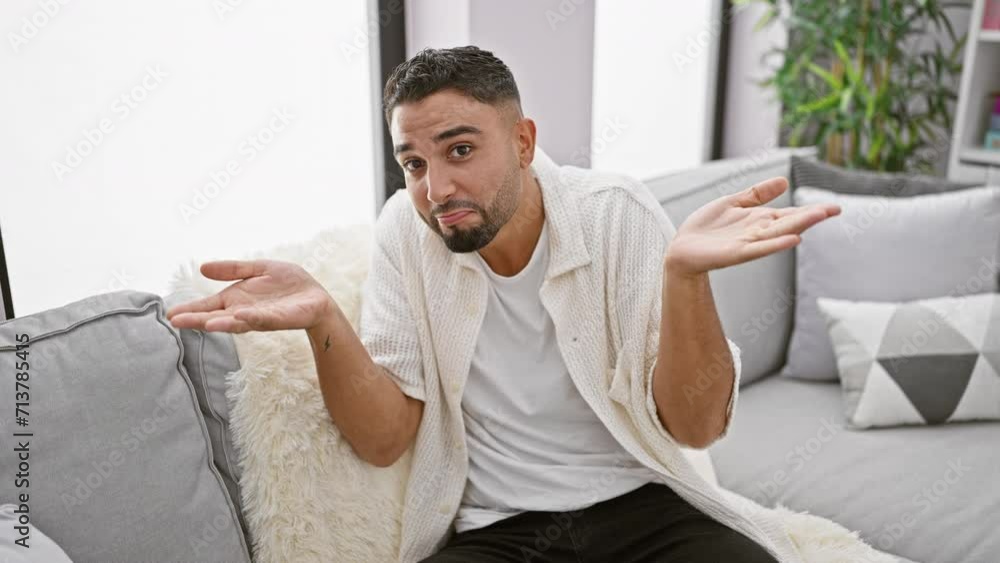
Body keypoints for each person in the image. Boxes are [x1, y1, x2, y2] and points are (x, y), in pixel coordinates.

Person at [167, 46, 840, 562]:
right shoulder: (404, 230)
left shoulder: (615, 213)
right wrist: (323, 319)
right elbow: (384, 438)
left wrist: (685, 277)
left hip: (645, 506)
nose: (436, 188)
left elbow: (695, 427)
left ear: (523, 142)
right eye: (415, 163)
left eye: (460, 149)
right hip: (504, 530)